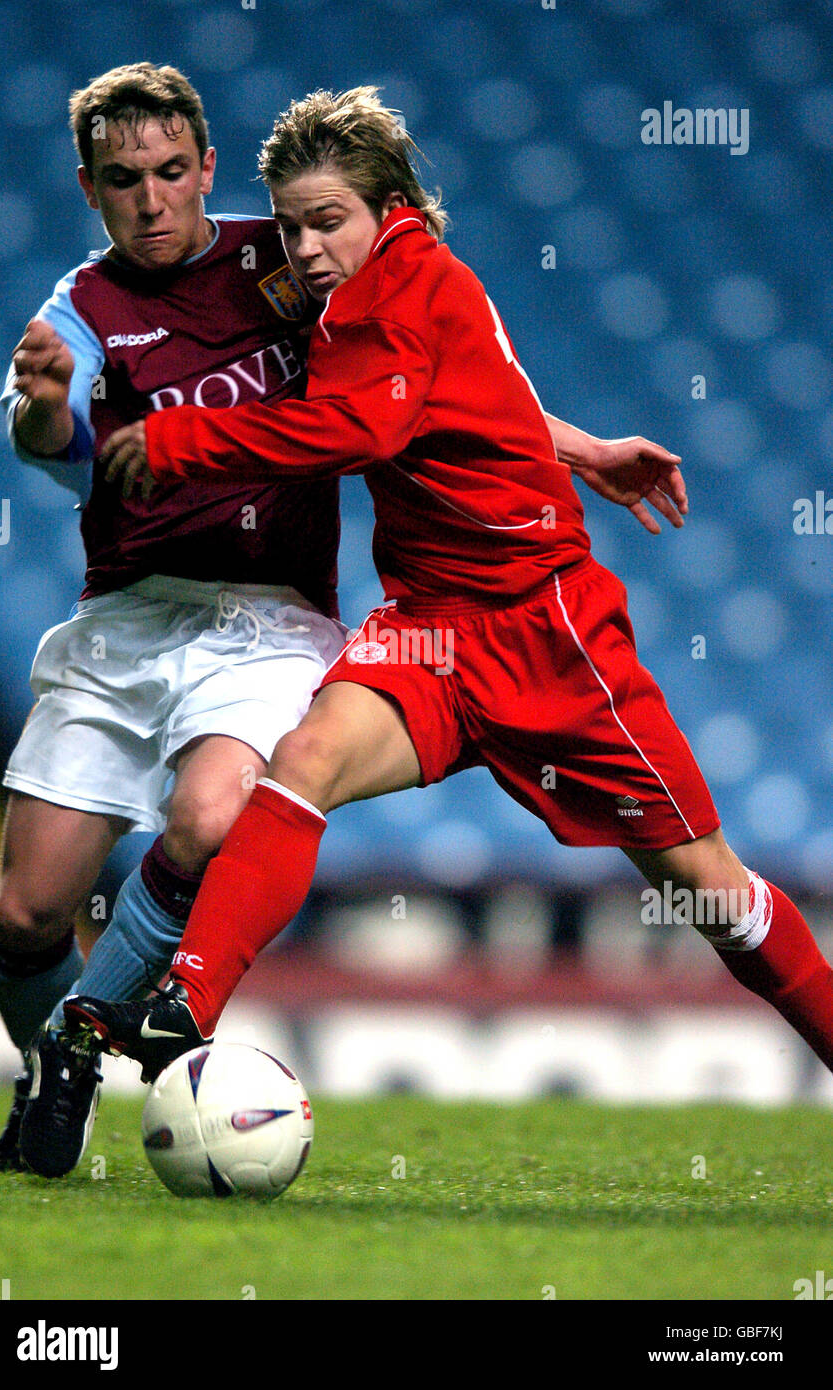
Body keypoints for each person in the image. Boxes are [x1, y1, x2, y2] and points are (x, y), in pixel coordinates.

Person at [71, 87, 833, 1092]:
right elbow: (470, 395)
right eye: (291, 224)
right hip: (429, 632)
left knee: (709, 892)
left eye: (325, 221)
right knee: (307, 757)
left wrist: (175, 440)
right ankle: (185, 1006)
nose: (301, 247)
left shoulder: (405, 282)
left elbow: (358, 431)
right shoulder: (366, 295)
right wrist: (585, 445)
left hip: (547, 633)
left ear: (388, 208)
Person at [0, 63, 350, 1177]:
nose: (150, 200)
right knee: (24, 918)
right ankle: (60, 1061)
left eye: (168, 173)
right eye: (121, 180)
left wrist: (568, 448)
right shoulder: (80, 307)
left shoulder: (280, 265)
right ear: (89, 188)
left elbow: (433, 368)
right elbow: (48, 437)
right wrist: (48, 413)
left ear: (203, 167)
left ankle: (71, 1059)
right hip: (126, 623)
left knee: (204, 819)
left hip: (265, 620)